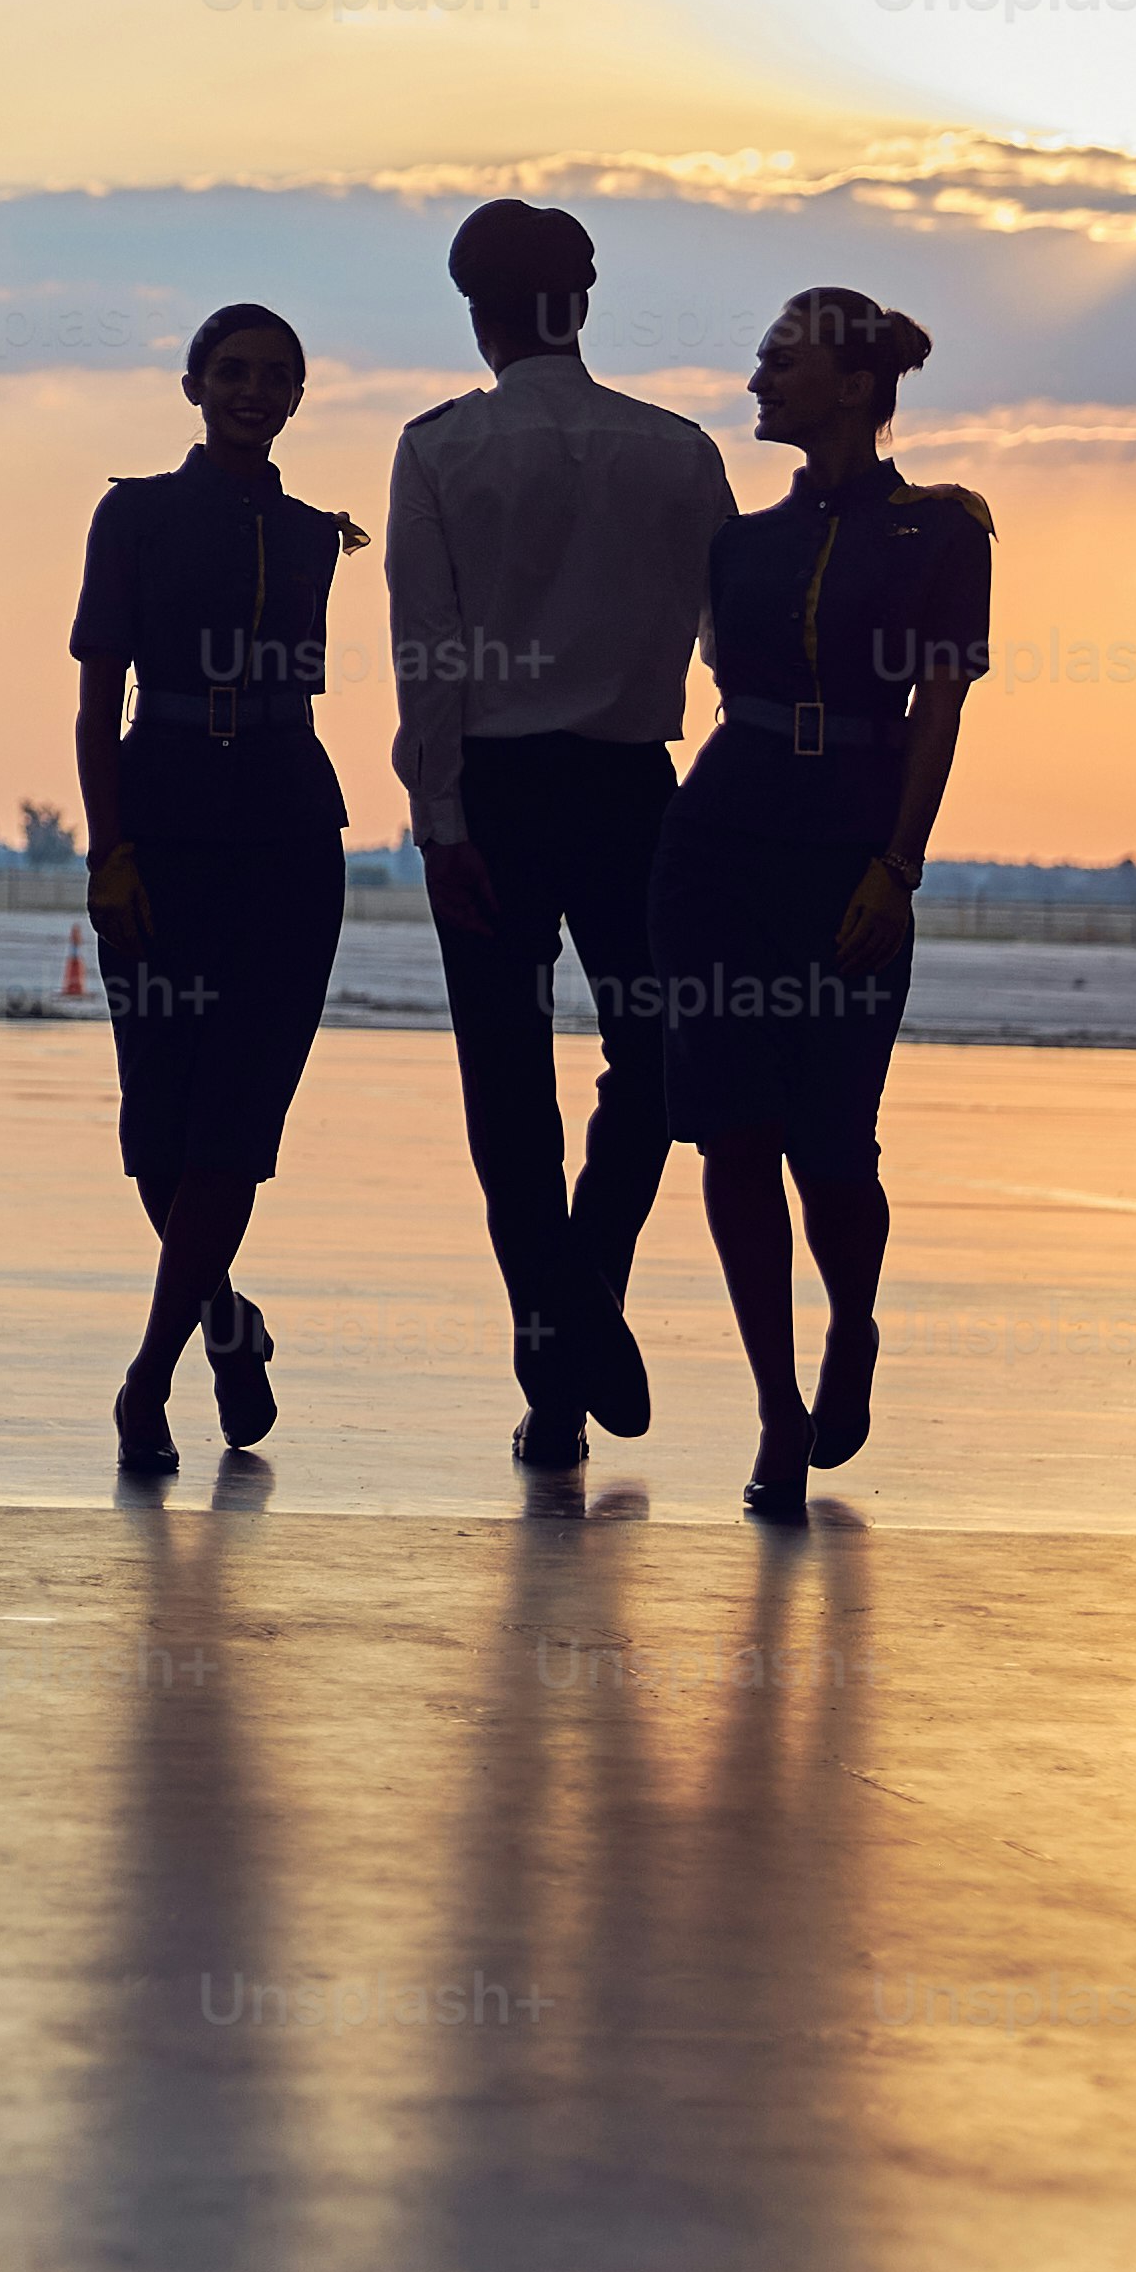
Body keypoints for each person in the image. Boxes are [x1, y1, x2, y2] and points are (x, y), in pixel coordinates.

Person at [384, 196, 733, 1470]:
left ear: (477, 315)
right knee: (649, 1065)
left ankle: (557, 1328)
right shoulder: (682, 453)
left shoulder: (436, 451)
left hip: (492, 792)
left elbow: (427, 653)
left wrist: (439, 816)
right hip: (637, 793)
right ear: (580, 305)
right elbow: (729, 645)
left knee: (507, 1077)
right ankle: (587, 1297)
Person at [647, 285, 990, 1522]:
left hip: (852, 836)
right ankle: (775, 1408)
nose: (756, 383)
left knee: (833, 1144)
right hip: (718, 839)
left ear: (855, 385)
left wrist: (896, 865)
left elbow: (939, 712)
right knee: (730, 1132)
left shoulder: (943, 535)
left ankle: (853, 1320)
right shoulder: (739, 544)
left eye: (778, 362)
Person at [73, 304, 361, 1476]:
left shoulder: (311, 537)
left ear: (298, 396)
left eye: (276, 376)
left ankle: (148, 1378)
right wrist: (109, 848)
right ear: (193, 383)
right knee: (158, 1126)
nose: (253, 390)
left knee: (234, 1125)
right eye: (233, 371)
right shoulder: (135, 512)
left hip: (289, 831)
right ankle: (225, 1318)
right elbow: (98, 704)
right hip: (164, 813)